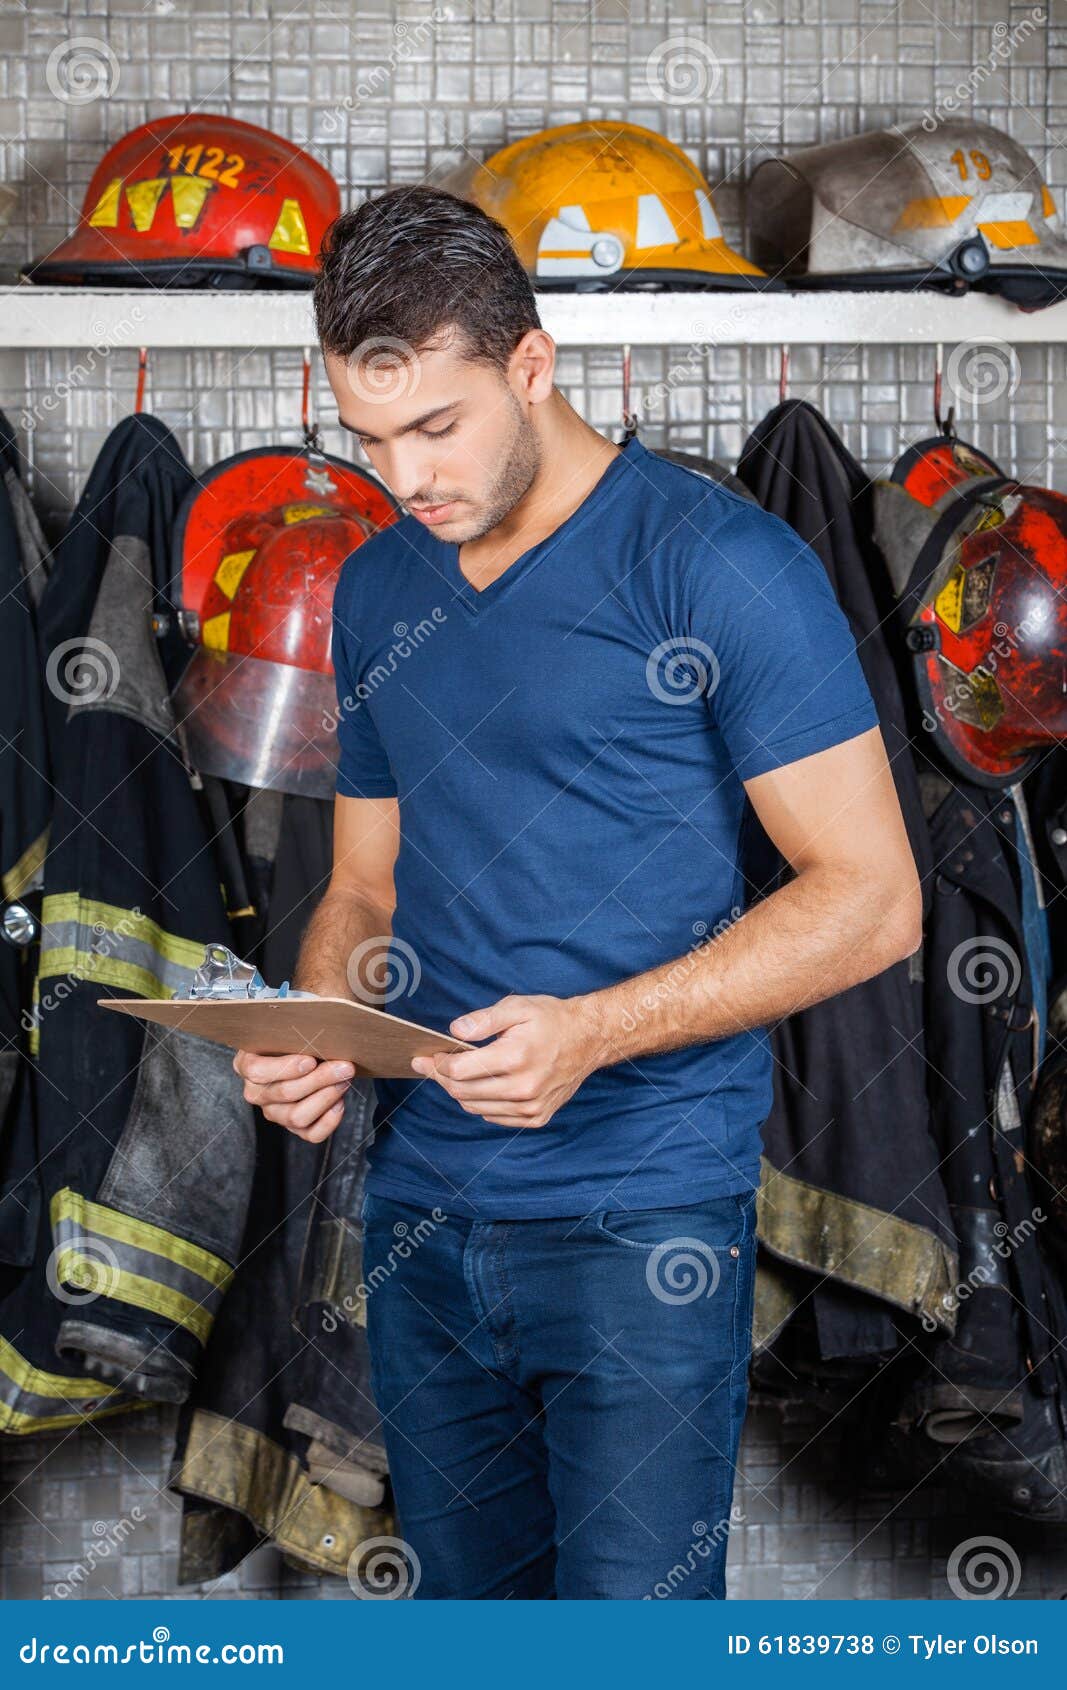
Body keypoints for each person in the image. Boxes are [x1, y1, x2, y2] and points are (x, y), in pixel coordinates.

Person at [233, 187, 921, 1600]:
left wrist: (595, 1032)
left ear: (531, 368)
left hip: (644, 1219)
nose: (406, 476)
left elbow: (874, 899)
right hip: (424, 1211)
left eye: (438, 428)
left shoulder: (719, 563)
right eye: (370, 439)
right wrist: (318, 1023)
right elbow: (365, 884)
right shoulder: (376, 590)